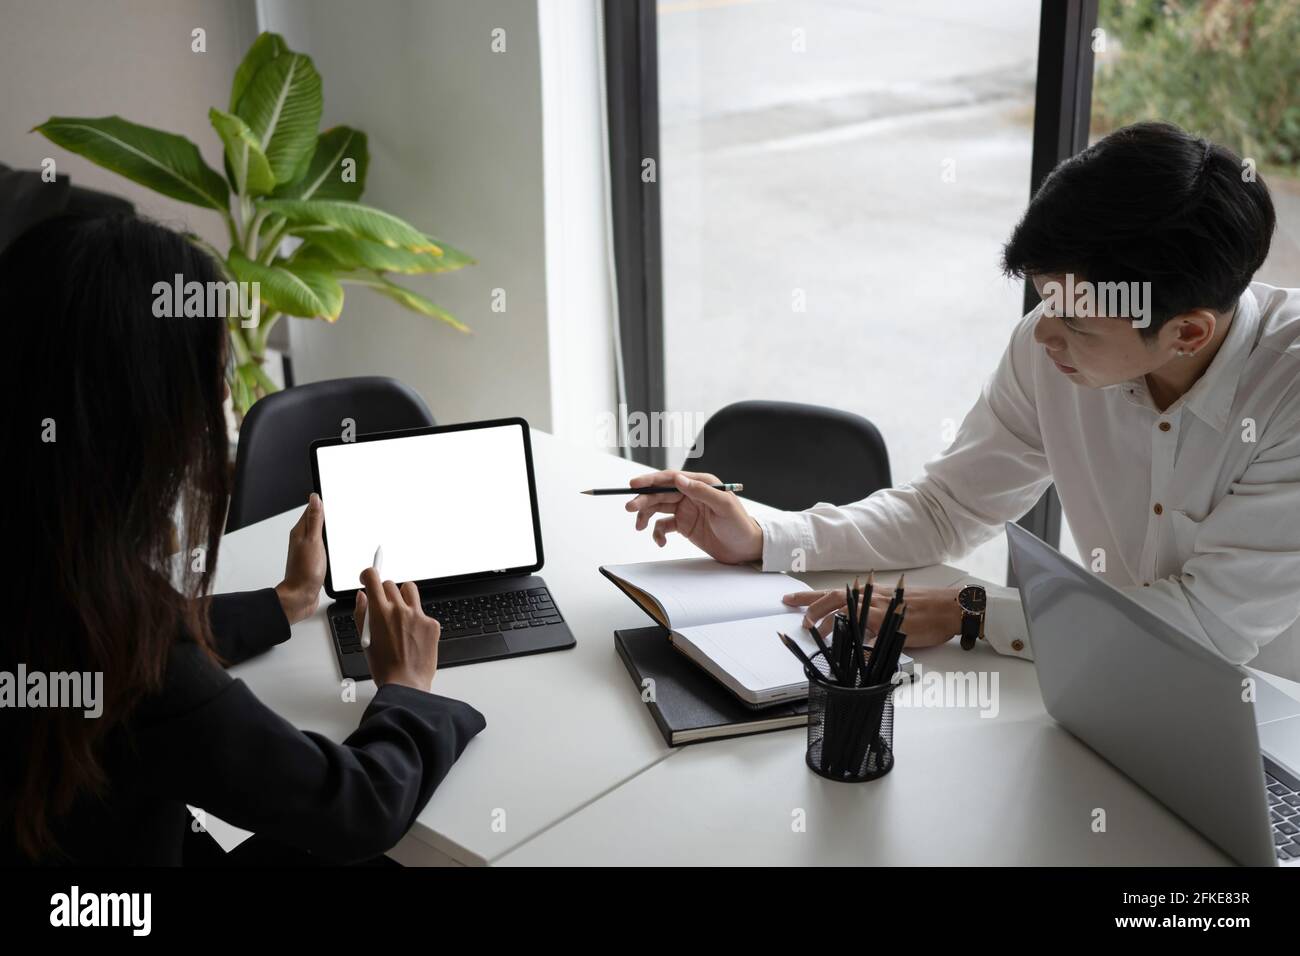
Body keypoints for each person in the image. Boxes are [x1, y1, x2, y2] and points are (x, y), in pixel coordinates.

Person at [625, 121, 1299, 683]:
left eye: (1078, 321)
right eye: (1044, 301)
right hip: (1114, 681)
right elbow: (945, 508)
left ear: (1188, 332)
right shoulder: (1047, 345)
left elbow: (1209, 626)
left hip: (1272, 713)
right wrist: (768, 536)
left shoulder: (1287, 390)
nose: (1045, 333)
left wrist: (971, 610)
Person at [1, 213, 483, 865]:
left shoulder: (45, 574)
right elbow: (356, 809)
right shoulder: (141, 673)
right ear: (145, 419)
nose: (218, 404)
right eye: (210, 382)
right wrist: (406, 693)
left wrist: (282, 602)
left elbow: (121, 625)